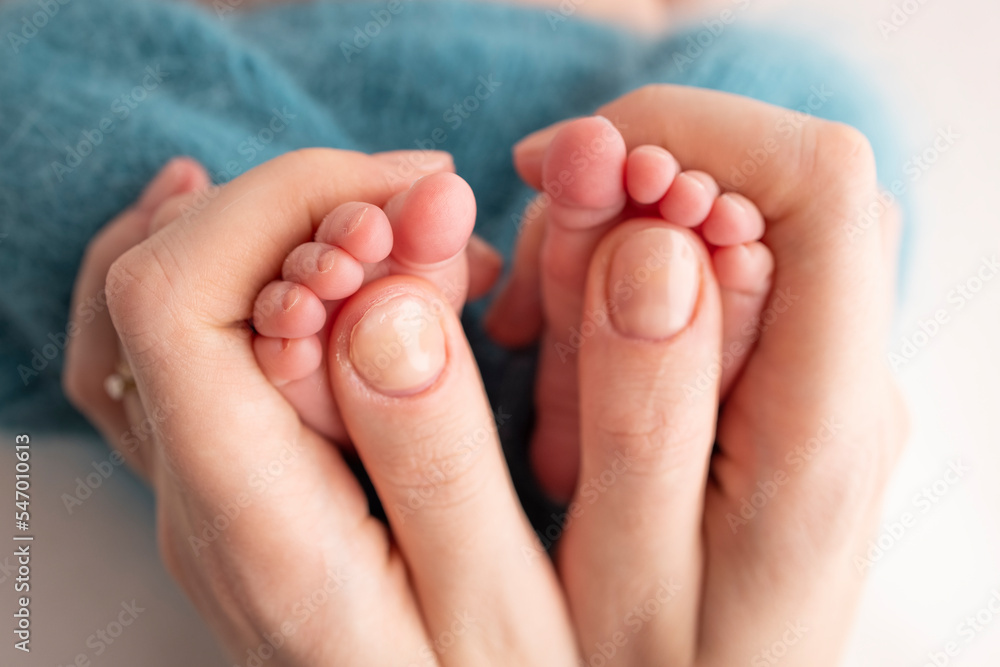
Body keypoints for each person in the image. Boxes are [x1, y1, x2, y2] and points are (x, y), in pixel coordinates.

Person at [0, 0, 907, 664]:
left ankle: (351, 402)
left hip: (298, 187)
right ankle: (511, 383)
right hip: (577, 176)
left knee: (105, 166)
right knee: (811, 134)